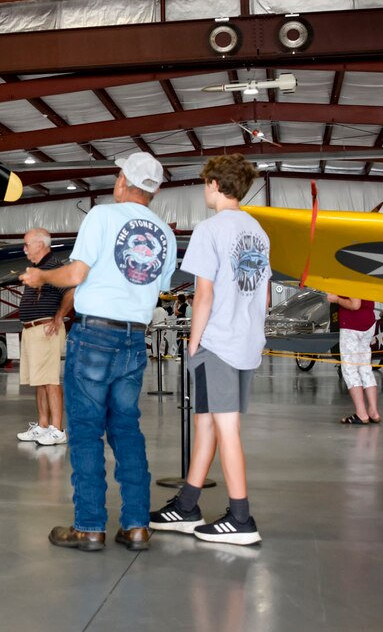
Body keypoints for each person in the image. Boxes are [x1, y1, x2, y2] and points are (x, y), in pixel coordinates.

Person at [21, 152, 176, 552]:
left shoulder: (102, 216)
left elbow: (75, 274)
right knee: (127, 429)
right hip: (133, 339)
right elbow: (158, 285)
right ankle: (137, 525)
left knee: (87, 432)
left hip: (94, 336)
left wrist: (41, 275)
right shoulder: (166, 233)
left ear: (124, 181)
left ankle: (90, 525)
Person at [150, 154, 270, 546]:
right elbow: (264, 294)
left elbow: (203, 294)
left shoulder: (210, 229)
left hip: (218, 343)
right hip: (247, 342)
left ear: (216, 185)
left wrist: (194, 341)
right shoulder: (258, 231)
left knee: (226, 428)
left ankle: (240, 517)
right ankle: (187, 506)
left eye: (205, 183)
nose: (204, 189)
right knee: (207, 423)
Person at [15, 228, 74, 446]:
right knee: (39, 381)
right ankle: (42, 425)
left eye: (27, 244)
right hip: (32, 330)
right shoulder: (38, 269)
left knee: (49, 380)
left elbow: (71, 291)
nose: (24, 248)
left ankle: (57, 429)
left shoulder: (54, 267)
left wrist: (59, 316)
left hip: (45, 329)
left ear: (41, 244)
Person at [328, 294, 380, 424]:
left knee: (350, 369)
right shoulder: (366, 275)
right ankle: (373, 411)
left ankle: (361, 413)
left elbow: (355, 304)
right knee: (365, 367)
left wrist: (336, 299)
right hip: (368, 323)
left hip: (352, 325)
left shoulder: (349, 277)